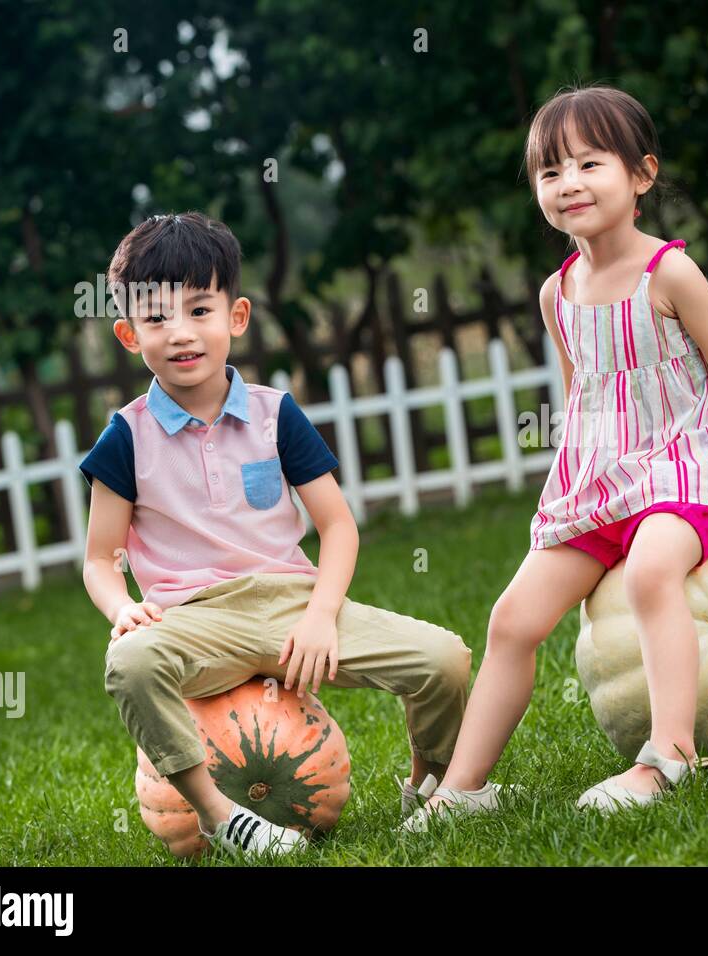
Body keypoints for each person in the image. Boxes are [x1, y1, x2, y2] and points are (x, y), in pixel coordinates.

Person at [402, 85, 708, 829]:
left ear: (642, 175)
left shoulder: (671, 275)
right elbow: (582, 393)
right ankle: (462, 790)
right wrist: (572, 476)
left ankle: (669, 756)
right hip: (601, 478)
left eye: (590, 163)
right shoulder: (559, 293)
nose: (569, 183)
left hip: (688, 466)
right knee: (512, 620)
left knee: (653, 572)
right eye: (550, 171)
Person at [81, 212, 472, 857]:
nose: (180, 333)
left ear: (236, 317)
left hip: (296, 607)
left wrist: (322, 616)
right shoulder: (126, 436)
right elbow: (100, 559)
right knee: (129, 662)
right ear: (128, 334)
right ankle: (218, 815)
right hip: (199, 620)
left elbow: (338, 527)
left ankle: (431, 785)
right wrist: (122, 608)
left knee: (444, 660)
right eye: (156, 318)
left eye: (199, 310)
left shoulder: (274, 414)